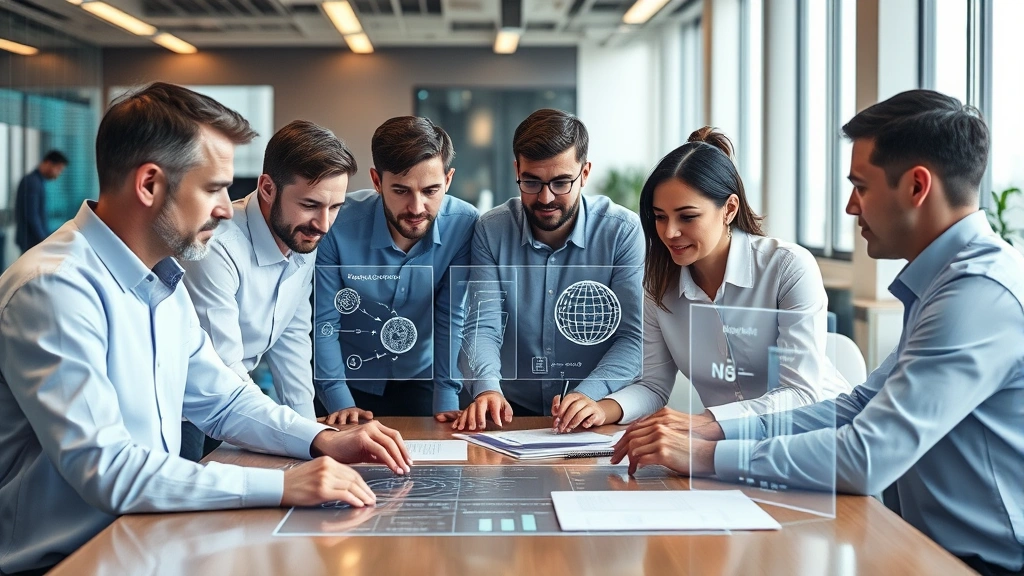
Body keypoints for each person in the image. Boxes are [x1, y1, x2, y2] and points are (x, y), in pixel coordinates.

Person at [0, 82, 412, 575]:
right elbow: (107, 469)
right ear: (150, 184)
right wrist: (283, 486)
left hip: (142, 541)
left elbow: (223, 399)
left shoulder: (163, 283)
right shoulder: (55, 288)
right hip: (66, 561)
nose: (224, 206)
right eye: (213, 187)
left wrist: (319, 439)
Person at [614, 90, 1024, 576]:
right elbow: (855, 405)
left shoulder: (976, 295)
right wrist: (706, 429)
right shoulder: (945, 284)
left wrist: (706, 453)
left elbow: (864, 456)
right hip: (919, 546)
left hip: (982, 564)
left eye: (861, 186)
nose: (850, 207)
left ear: (917, 187)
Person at [553, 128, 851, 432]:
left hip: (821, 439)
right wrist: (601, 409)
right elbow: (653, 386)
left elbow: (800, 395)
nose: (669, 232)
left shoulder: (788, 268)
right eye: (660, 216)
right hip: (728, 448)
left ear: (729, 209)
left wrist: (701, 423)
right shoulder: (657, 285)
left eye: (687, 216)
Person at [178, 120, 361, 462]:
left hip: (241, 406)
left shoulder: (302, 235)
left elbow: (292, 338)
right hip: (190, 414)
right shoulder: (217, 246)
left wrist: (312, 435)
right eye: (310, 204)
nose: (323, 224)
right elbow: (225, 369)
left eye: (334, 207)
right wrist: (309, 437)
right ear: (267, 188)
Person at [453, 108, 644, 431]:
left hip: (593, 414)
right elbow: (481, 325)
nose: (545, 197)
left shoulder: (621, 232)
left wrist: (587, 396)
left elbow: (634, 337)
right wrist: (486, 387)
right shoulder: (491, 229)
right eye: (531, 182)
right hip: (508, 411)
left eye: (560, 182)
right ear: (517, 170)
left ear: (584, 174)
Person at [314, 116, 478, 420]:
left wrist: (447, 399)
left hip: (420, 379)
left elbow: (451, 317)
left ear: (448, 180)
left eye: (431, 191)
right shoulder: (337, 225)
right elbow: (325, 321)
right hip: (342, 379)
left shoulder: (465, 225)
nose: (416, 208)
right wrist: (339, 401)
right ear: (377, 182)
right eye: (401, 191)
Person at [14, 149, 68, 253]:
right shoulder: (32, 183)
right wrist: (43, 239)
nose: (58, 174)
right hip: (31, 241)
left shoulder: (36, 181)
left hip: (32, 241)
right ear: (48, 163)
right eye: (58, 169)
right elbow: (32, 215)